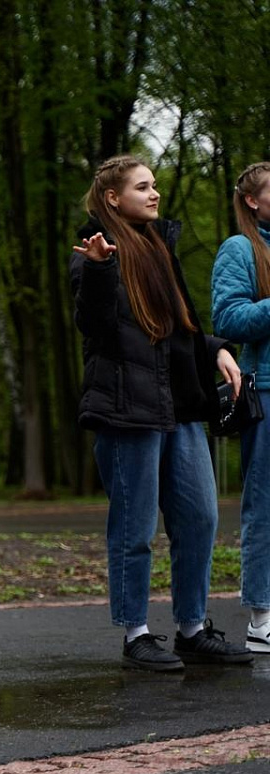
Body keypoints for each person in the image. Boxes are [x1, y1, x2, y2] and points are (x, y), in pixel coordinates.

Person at [70, 155, 252, 671]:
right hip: (127, 409)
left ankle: (193, 629)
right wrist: (102, 271)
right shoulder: (91, 253)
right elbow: (96, 329)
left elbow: (181, 323)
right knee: (135, 527)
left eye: (155, 185)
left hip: (179, 405)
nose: (155, 194)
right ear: (112, 197)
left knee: (199, 516)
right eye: (143, 186)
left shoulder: (158, 246)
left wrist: (215, 347)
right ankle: (136, 635)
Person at [211, 160, 270, 654]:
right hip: (266, 390)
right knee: (265, 505)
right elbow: (228, 317)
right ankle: (261, 618)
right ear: (252, 200)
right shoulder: (241, 248)